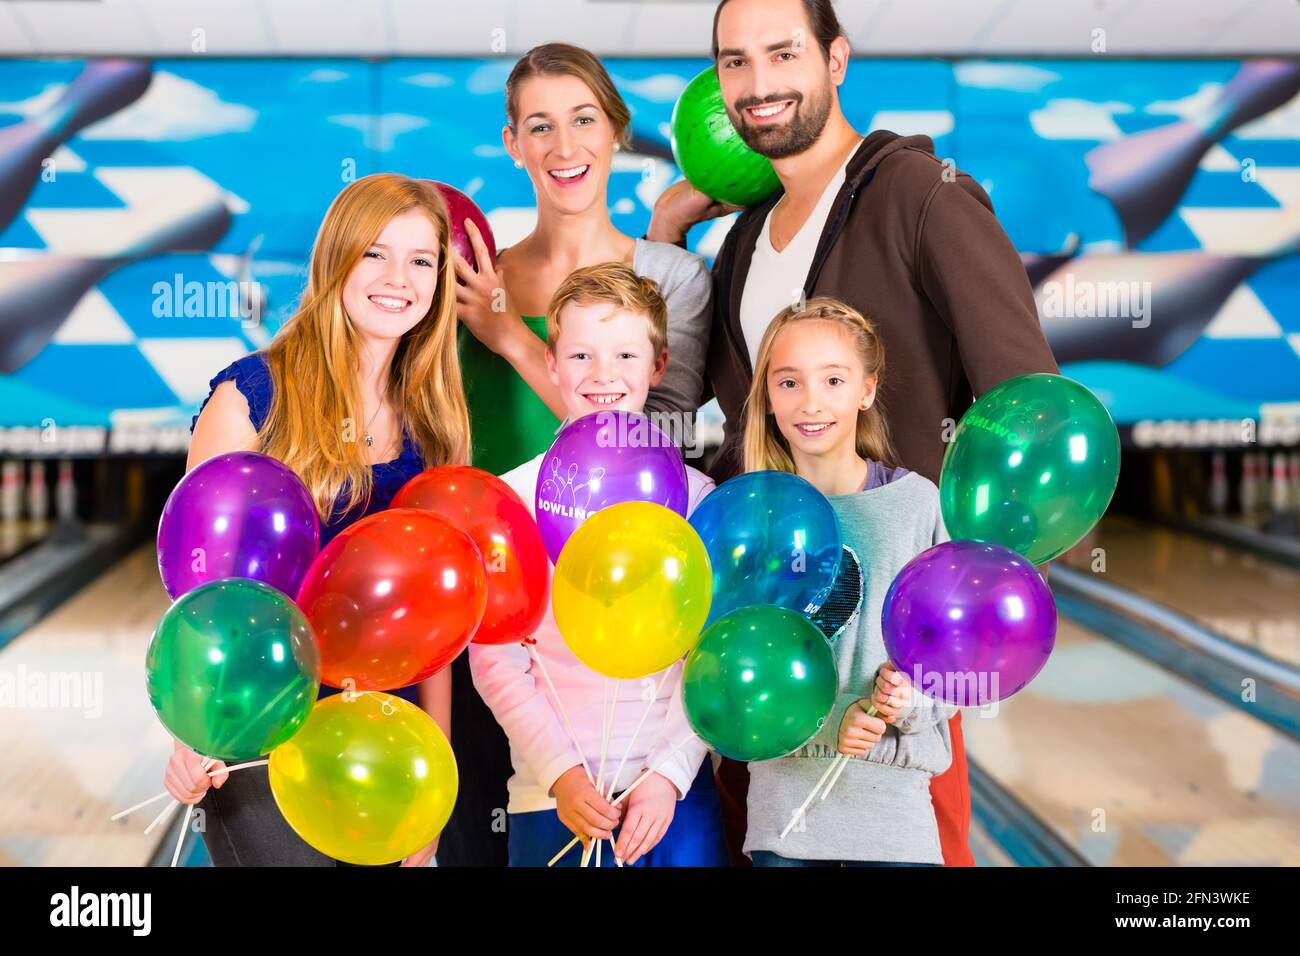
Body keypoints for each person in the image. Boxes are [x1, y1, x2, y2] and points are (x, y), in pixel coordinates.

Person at [647, 0, 1060, 867]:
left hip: (891, 672)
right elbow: (731, 435)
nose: (757, 84)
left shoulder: (920, 196)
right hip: (764, 656)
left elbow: (1026, 406)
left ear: (837, 59)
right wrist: (670, 226)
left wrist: (958, 619)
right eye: (734, 62)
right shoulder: (746, 240)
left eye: (783, 53)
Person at [444, 41, 715, 865]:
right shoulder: (470, 279)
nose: (564, 146)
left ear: (616, 130)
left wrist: (510, 340)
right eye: (540, 125)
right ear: (513, 143)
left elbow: (649, 448)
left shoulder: (672, 277)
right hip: (502, 610)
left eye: (584, 119)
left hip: (639, 647)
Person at [163, 173, 469, 867]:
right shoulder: (249, 397)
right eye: (375, 254)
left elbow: (436, 626)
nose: (399, 278)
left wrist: (436, 786)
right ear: (336, 260)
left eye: (421, 260)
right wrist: (188, 731)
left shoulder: (435, 424)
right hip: (259, 723)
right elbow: (198, 590)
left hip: (383, 741)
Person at [469, 263, 728, 867]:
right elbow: (498, 659)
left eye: (625, 356)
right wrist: (562, 777)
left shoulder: (699, 500)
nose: (603, 375)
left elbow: (710, 655)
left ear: (658, 367)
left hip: (673, 799)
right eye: (581, 356)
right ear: (552, 364)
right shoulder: (512, 499)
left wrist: (666, 777)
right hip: (548, 798)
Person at [741, 296, 954, 866]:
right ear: (767, 397)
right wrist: (836, 719)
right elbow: (730, 677)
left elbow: (953, 666)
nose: (811, 402)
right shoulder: (751, 519)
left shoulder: (917, 505)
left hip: (896, 827)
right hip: (784, 825)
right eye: (788, 383)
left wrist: (906, 699)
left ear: (866, 389)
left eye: (833, 380)